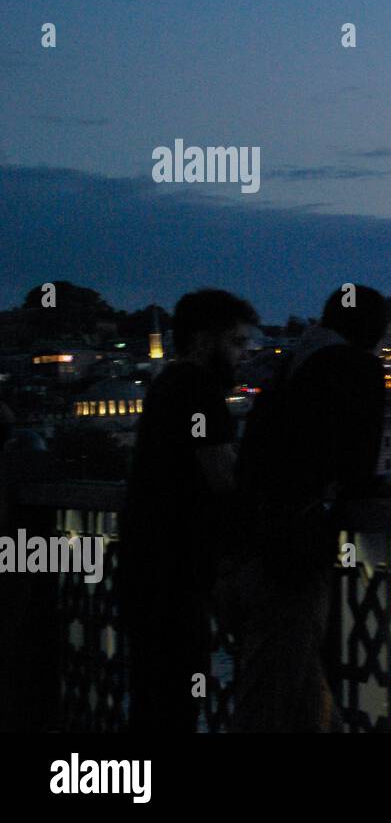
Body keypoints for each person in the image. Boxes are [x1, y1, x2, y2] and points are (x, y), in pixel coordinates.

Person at [231, 285, 389, 732]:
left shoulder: (292, 365)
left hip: (250, 543)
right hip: (292, 551)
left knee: (295, 683)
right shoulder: (355, 367)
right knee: (274, 688)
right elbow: (358, 470)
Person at [120, 289, 258, 732]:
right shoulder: (198, 391)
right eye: (236, 343)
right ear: (203, 340)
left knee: (154, 700)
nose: (243, 354)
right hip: (177, 578)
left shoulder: (167, 385)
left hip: (147, 570)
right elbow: (223, 479)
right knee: (176, 703)